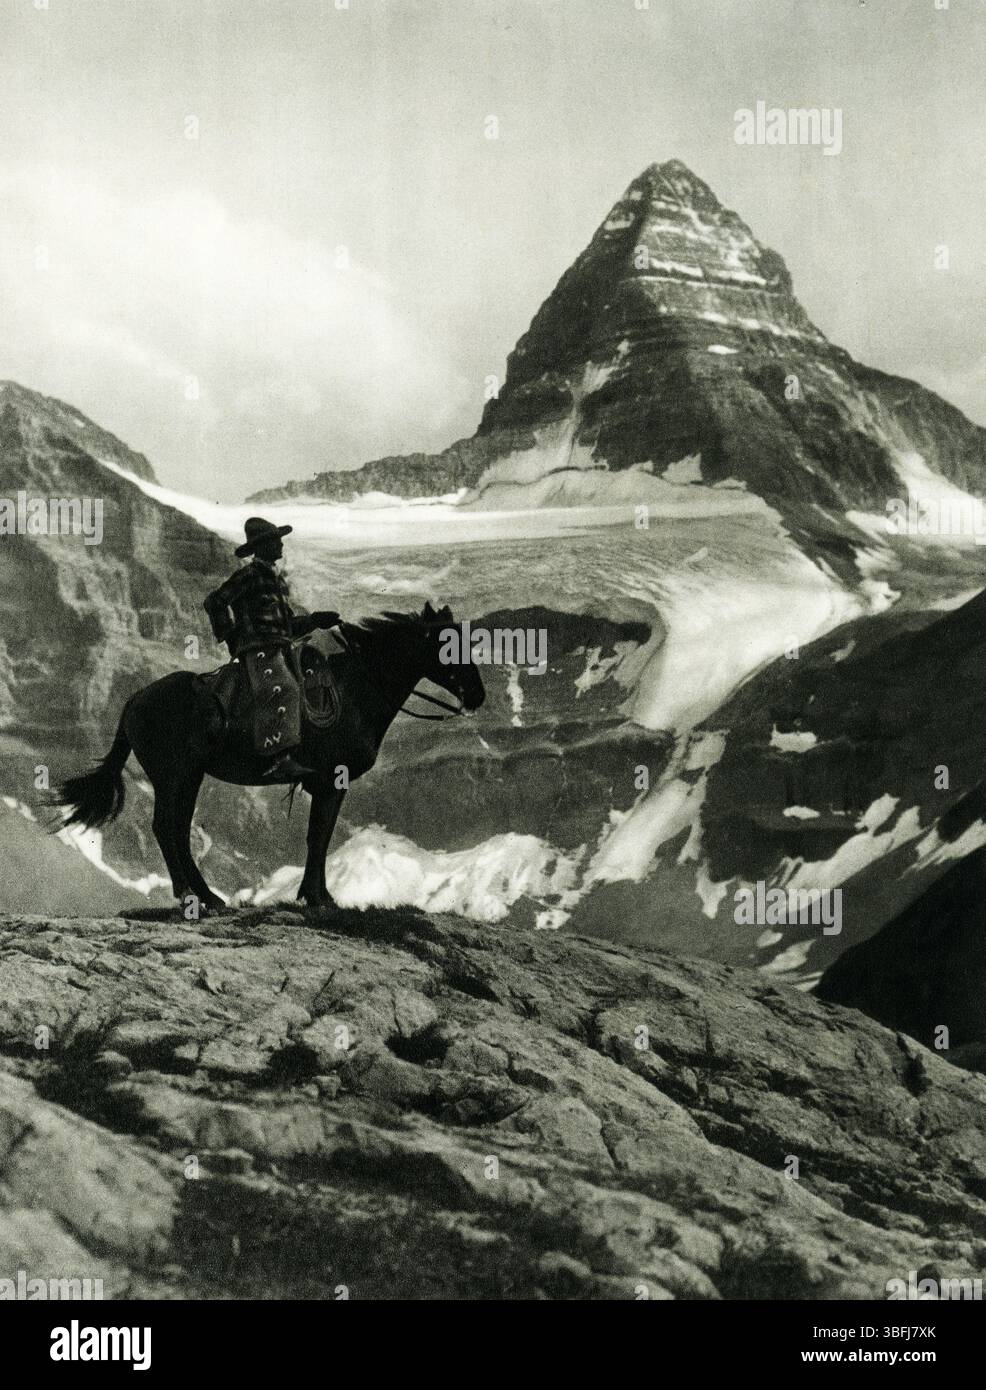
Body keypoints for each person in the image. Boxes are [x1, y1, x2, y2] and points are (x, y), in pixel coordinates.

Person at [203, 517, 339, 780]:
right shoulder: (249, 575)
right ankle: (279, 758)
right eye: (275, 541)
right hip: (259, 651)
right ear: (263, 546)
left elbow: (286, 627)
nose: (280, 546)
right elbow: (215, 601)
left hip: (281, 649)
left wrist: (315, 621)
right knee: (284, 687)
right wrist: (232, 636)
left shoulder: (277, 582)